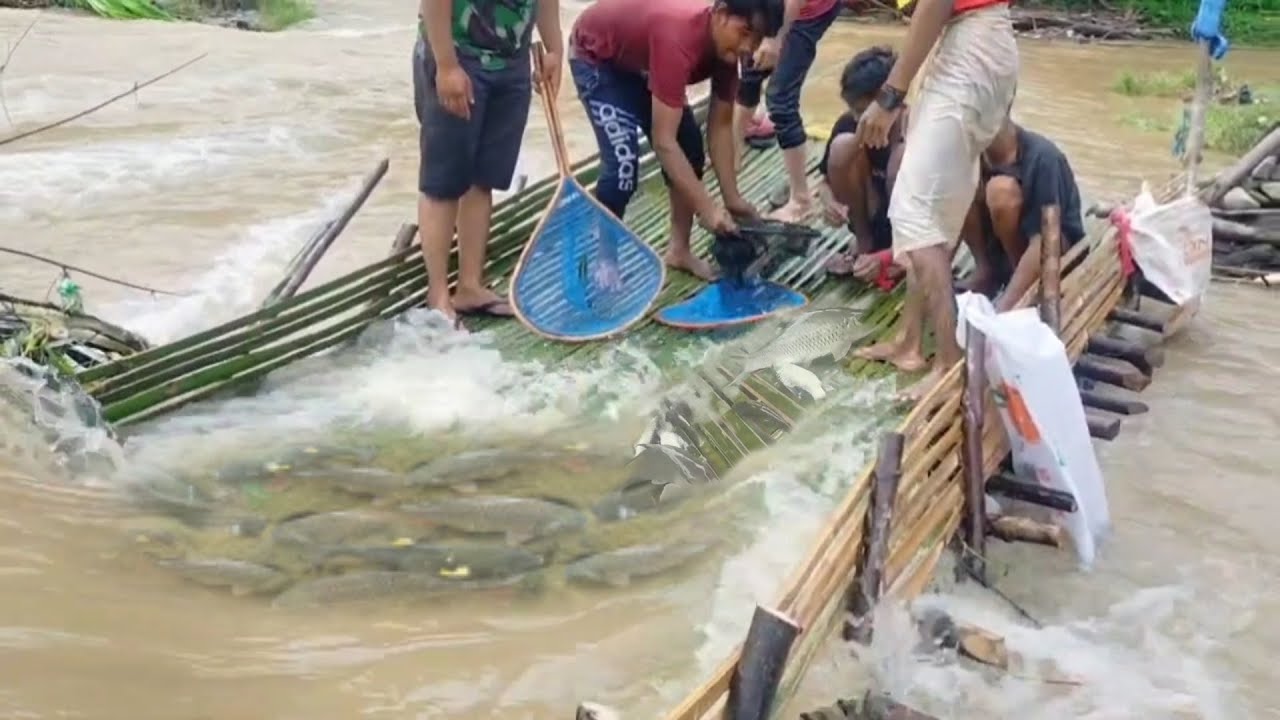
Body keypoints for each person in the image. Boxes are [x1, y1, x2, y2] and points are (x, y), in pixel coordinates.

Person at [852, 0, 1019, 400]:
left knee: (915, 210)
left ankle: (948, 363)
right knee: (934, 212)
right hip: (976, 46)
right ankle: (910, 340)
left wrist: (891, 96)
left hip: (968, 46)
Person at [568, 0, 784, 281]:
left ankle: (679, 251)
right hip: (598, 57)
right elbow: (663, 142)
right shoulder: (678, 36)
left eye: (756, 41)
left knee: (691, 151)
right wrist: (707, 209)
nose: (748, 48)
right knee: (622, 167)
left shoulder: (728, 53)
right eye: (744, 33)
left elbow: (719, 127)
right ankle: (606, 260)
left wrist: (732, 198)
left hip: (643, 59)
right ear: (720, 15)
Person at [415, 0, 562, 323]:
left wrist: (555, 47)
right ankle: (438, 294)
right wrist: (446, 66)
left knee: (484, 177)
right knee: (443, 180)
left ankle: (470, 285)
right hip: (458, 54)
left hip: (511, 61)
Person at [732, 0, 842, 222]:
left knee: (781, 99)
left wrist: (775, 37)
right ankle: (731, 152)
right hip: (768, 7)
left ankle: (801, 201)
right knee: (749, 75)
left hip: (806, 10)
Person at [818, 46, 907, 285]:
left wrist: (893, 255)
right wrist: (830, 203)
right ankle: (865, 244)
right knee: (842, 147)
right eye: (854, 111)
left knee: (901, 158)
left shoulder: (916, 131)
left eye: (862, 111)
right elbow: (824, 184)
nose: (858, 119)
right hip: (871, 216)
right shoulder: (849, 124)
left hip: (910, 233)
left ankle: (898, 255)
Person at [982, 115, 1086, 311]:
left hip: (1054, 245)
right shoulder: (974, 152)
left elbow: (1046, 240)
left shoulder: (1044, 158)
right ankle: (985, 270)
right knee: (958, 186)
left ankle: (1019, 284)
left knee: (1000, 191)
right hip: (1011, 242)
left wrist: (1005, 307)